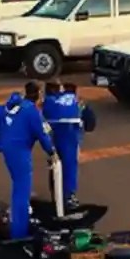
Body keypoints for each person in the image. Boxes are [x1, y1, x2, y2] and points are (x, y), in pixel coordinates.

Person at [0, 81, 56, 240]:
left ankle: (18, 225)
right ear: (38, 94)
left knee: (20, 186)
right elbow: (42, 134)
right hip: (19, 150)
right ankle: (19, 234)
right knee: (22, 191)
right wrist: (52, 152)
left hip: (8, 146)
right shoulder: (32, 111)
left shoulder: (18, 106)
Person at [42, 81, 92, 209]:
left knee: (55, 165)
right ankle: (69, 197)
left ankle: (56, 197)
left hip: (53, 138)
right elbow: (91, 123)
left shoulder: (46, 102)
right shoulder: (77, 102)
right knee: (70, 166)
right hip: (71, 137)